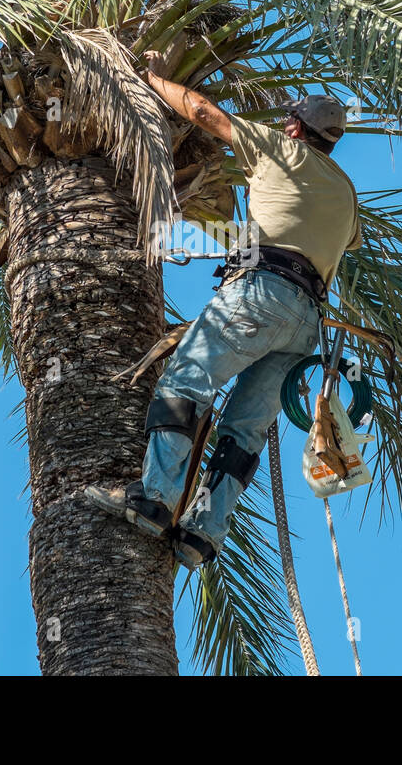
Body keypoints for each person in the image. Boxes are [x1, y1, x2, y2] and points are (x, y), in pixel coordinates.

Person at [85, 49, 361, 567]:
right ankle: (200, 535)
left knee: (185, 383)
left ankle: (154, 500)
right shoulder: (346, 192)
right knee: (245, 430)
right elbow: (344, 241)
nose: (283, 123)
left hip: (263, 293)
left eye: (289, 119)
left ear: (297, 129)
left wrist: (143, 78)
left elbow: (205, 115)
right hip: (308, 324)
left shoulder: (281, 149)